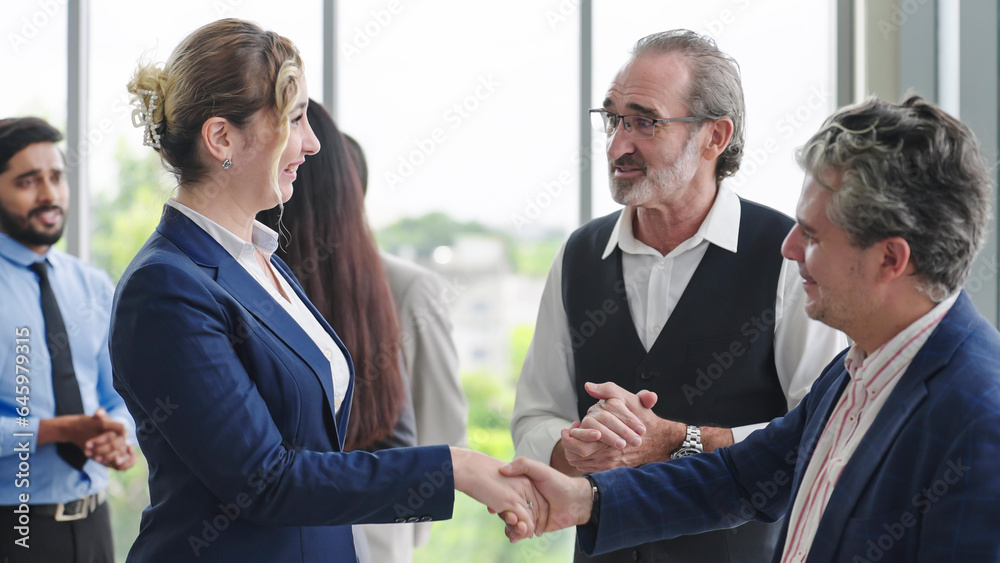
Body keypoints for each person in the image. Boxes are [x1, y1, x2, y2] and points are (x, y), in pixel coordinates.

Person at [111, 19, 541, 562]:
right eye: (294, 119)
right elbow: (264, 482)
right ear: (222, 138)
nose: (312, 143)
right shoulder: (167, 287)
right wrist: (454, 467)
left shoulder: (265, 264)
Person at [505, 94, 1000, 562]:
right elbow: (740, 480)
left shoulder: (979, 419)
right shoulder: (852, 371)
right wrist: (583, 501)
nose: (788, 249)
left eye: (812, 236)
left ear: (891, 258)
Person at [511, 29, 847, 562]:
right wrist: (570, 448)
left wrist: (681, 439)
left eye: (644, 121)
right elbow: (535, 416)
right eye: (613, 119)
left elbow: (824, 430)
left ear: (715, 136)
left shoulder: (785, 255)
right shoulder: (579, 254)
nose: (618, 144)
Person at [258, 102, 467, 562]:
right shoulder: (251, 280)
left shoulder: (406, 287)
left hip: (368, 528)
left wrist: (403, 529)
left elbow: (442, 432)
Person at [0, 117, 137, 563]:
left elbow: (118, 396)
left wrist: (118, 436)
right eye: (27, 181)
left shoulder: (93, 285)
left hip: (93, 525)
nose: (49, 195)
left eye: (56, 177)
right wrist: (57, 431)